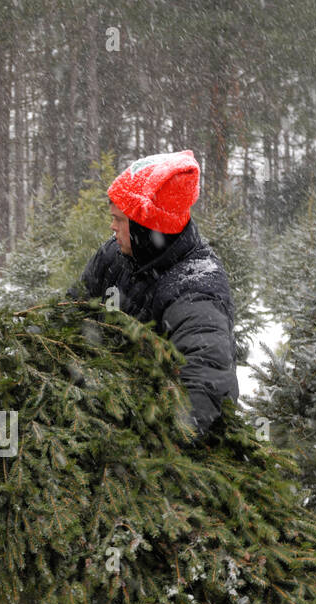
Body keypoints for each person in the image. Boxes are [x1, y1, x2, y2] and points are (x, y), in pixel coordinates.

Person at [73, 151, 238, 435]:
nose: (112, 227)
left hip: (143, 435)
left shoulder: (196, 288)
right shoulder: (115, 255)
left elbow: (204, 393)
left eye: (120, 220)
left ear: (147, 226)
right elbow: (72, 309)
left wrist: (132, 434)